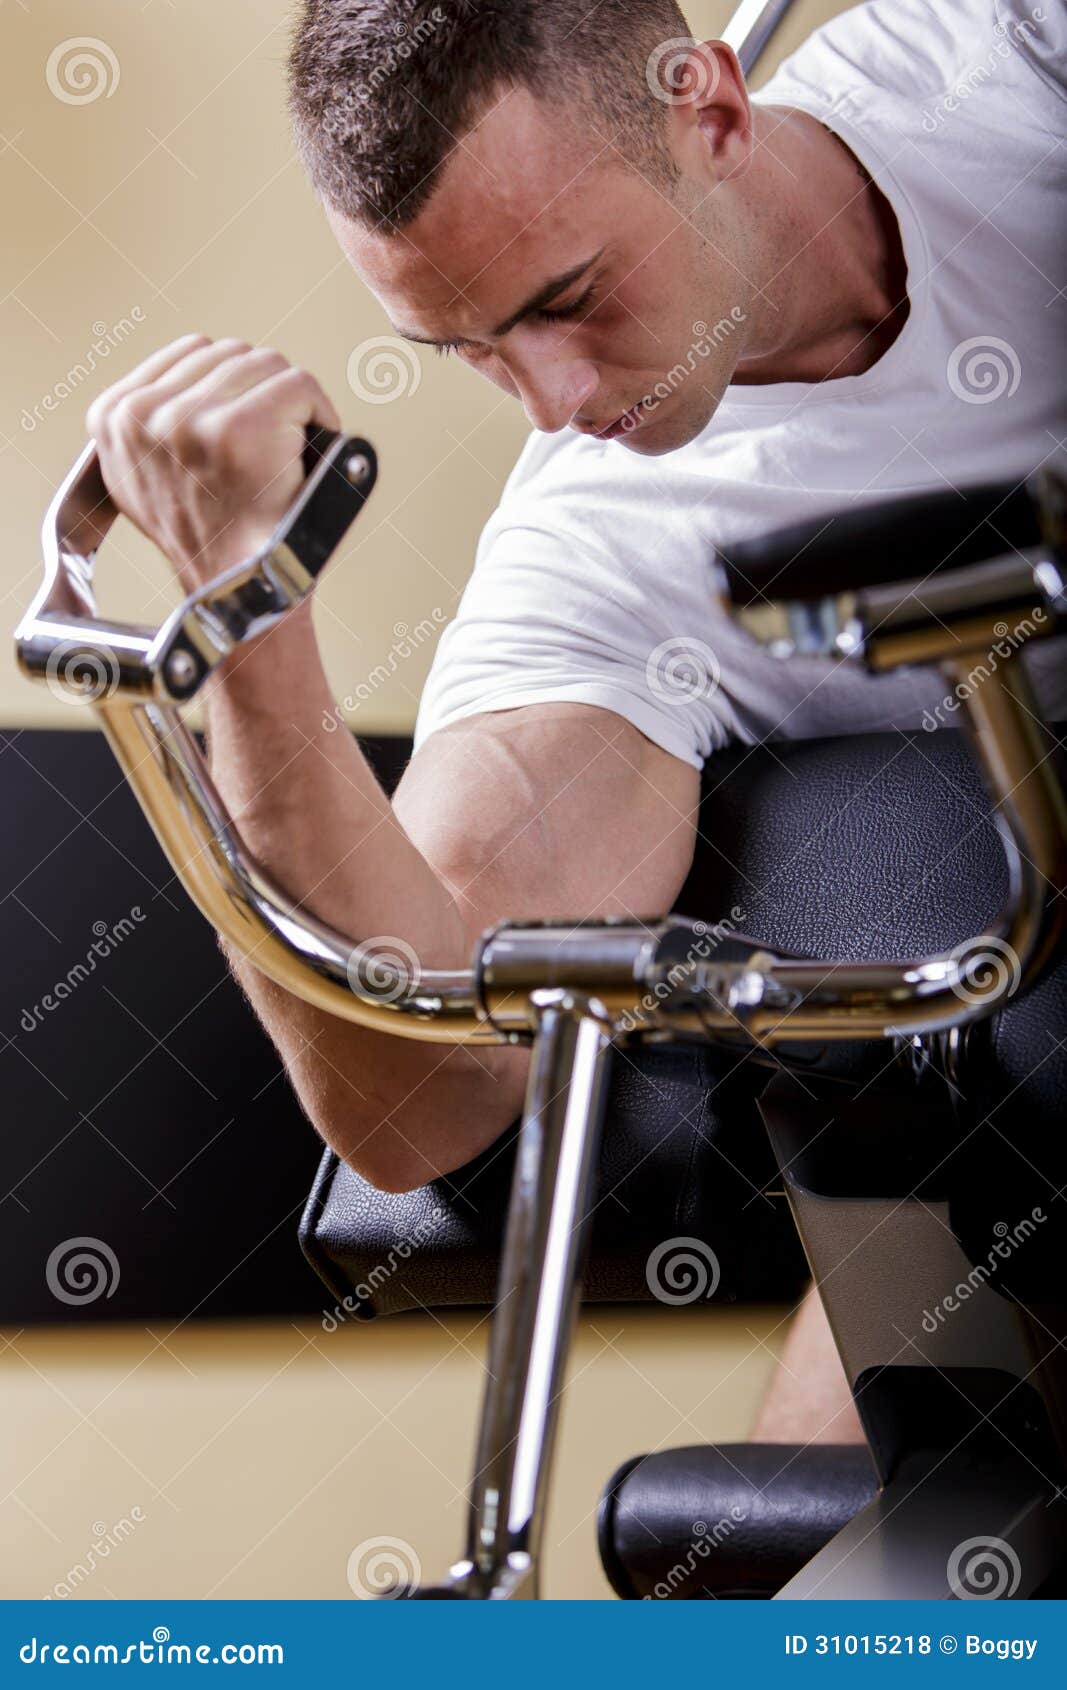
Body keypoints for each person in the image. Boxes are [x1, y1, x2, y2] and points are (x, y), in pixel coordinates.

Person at [86, 0, 1066, 1448]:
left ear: (713, 115)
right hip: (1028, 1150)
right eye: (468, 348)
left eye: (566, 298)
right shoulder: (604, 550)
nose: (553, 402)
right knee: (816, 1568)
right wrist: (249, 617)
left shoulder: (1017, 67)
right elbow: (422, 1085)